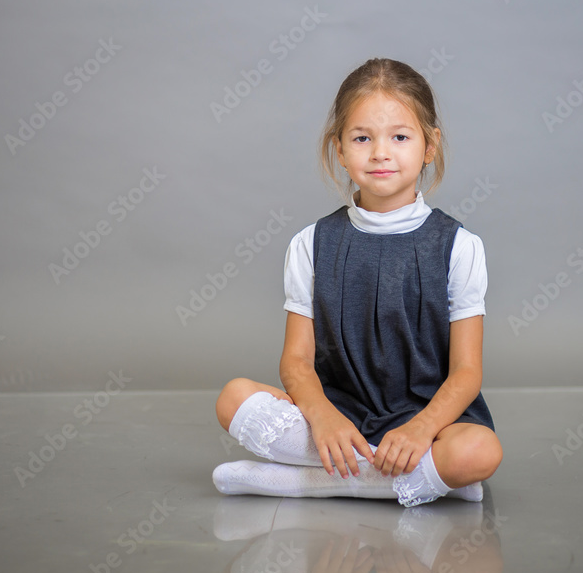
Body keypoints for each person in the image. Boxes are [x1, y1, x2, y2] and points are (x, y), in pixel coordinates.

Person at [212, 58, 502, 507]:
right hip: (338, 414)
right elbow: (296, 361)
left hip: (428, 421)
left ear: (430, 146)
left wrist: (421, 429)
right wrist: (323, 417)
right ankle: (394, 479)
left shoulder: (459, 246)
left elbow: (467, 372)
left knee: (480, 450)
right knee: (233, 398)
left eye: (400, 137)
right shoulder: (311, 243)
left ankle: (314, 481)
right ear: (340, 150)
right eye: (362, 138)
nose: (380, 152)